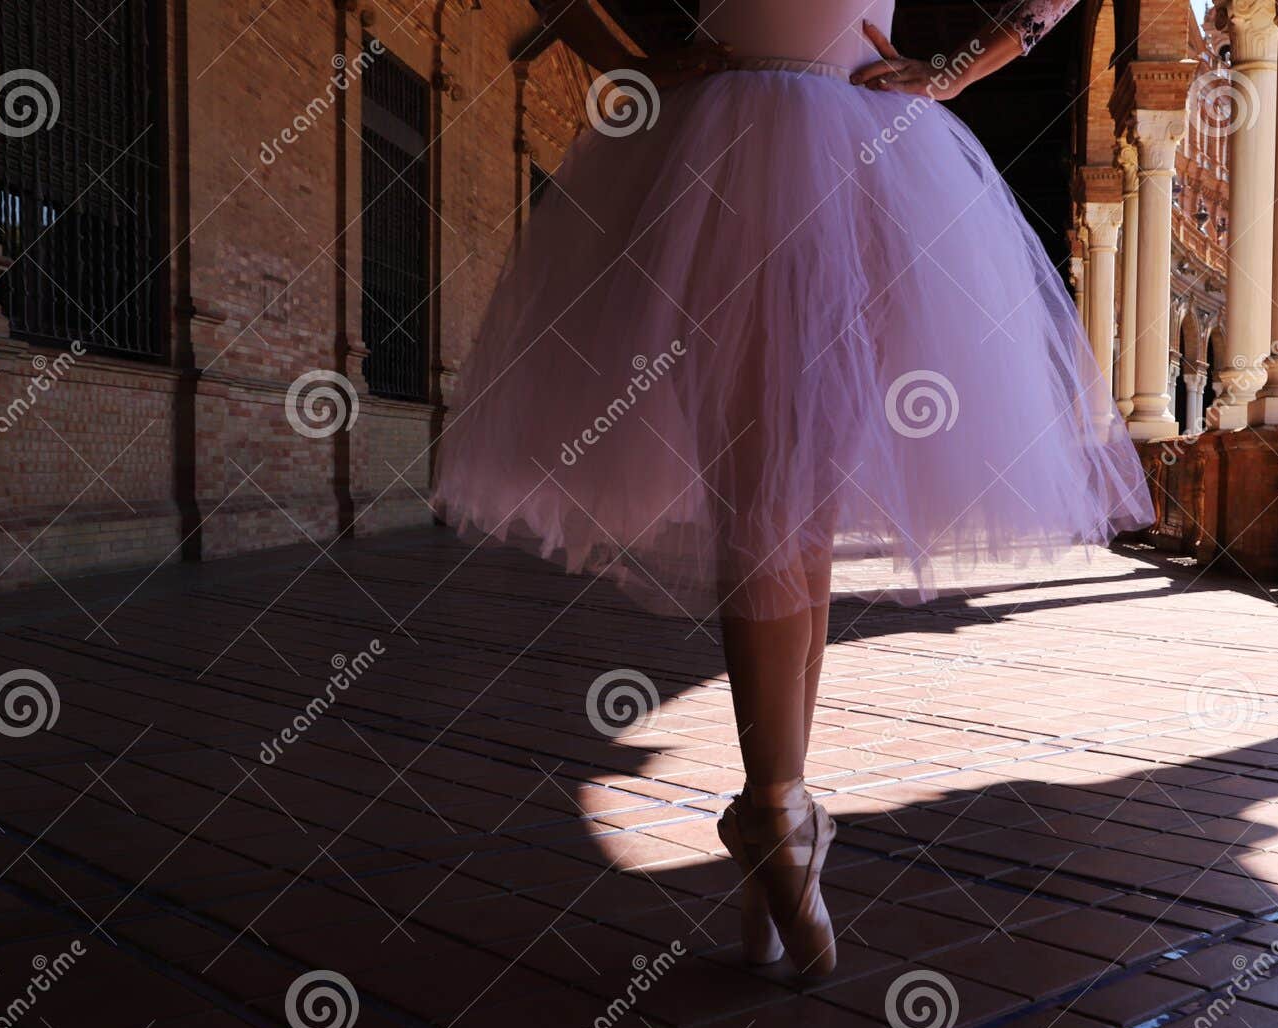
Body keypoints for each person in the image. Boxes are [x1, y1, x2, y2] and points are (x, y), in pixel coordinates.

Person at [435, 0, 1152, 977]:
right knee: (767, 495)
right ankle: (773, 810)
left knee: (795, 501)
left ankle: (779, 806)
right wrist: (628, 49)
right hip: (730, 150)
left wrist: (960, 67)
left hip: (860, 147)